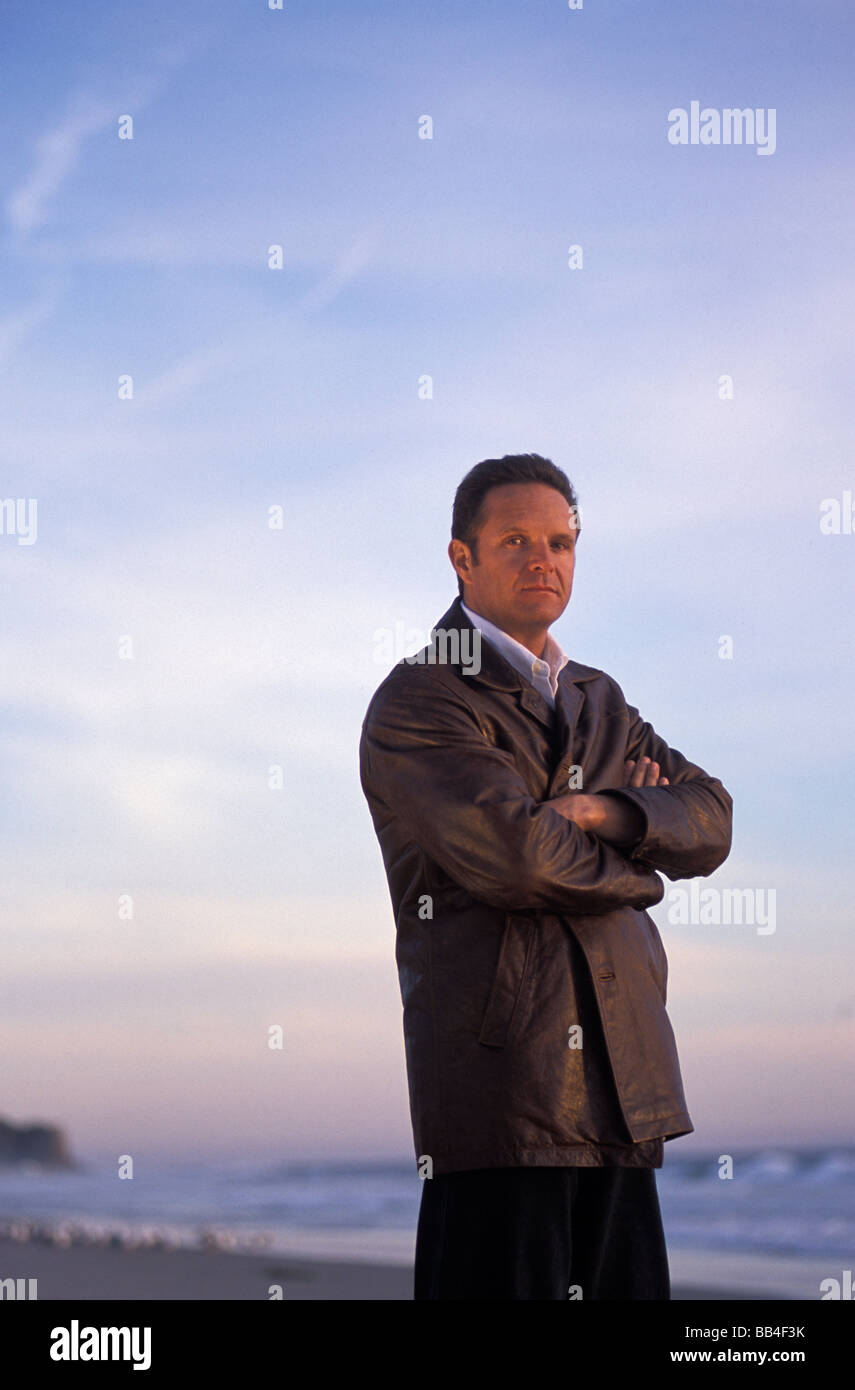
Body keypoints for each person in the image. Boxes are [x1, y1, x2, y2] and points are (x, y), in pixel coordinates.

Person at [358, 453, 732, 1300]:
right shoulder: (422, 699)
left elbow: (710, 820)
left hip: (621, 1090)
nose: (544, 560)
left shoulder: (600, 700)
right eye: (516, 540)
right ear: (462, 558)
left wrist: (605, 814)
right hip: (502, 1097)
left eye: (560, 541)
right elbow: (519, 856)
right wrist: (643, 865)